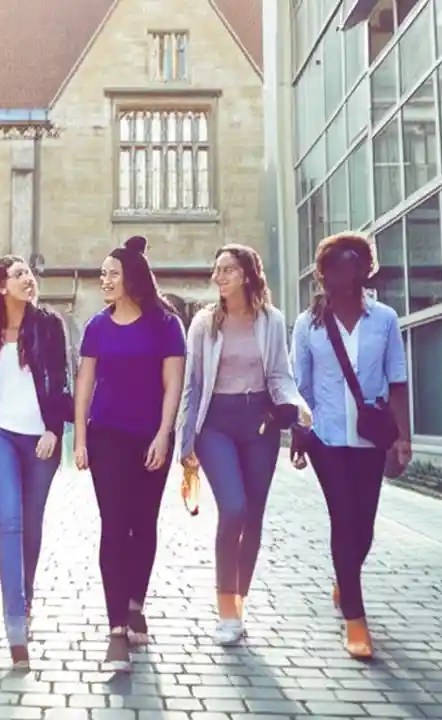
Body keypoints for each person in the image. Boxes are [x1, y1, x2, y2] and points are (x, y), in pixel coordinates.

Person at [178, 244, 310, 646]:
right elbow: (193, 384)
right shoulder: (204, 323)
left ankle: (240, 598)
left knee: (253, 515)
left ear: (248, 275)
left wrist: (296, 408)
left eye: (228, 270)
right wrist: (186, 441)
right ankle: (225, 610)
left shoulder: (271, 320)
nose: (219, 277)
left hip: (259, 425)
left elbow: (280, 375)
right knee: (232, 508)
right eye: (216, 269)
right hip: (215, 422)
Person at [291, 232, 411, 660]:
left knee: (364, 527)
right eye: (332, 267)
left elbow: (397, 380)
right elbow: (298, 386)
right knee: (343, 518)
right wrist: (298, 434)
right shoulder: (309, 324)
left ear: (365, 269)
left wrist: (403, 437)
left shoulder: (385, 319)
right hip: (326, 436)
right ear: (323, 274)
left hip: (370, 439)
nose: (341, 274)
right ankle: (356, 620)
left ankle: (346, 577)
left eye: (350, 264)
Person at [73, 235, 185, 672]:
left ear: (132, 278)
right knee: (114, 526)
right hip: (107, 438)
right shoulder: (97, 326)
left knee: (144, 524)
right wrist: (80, 439)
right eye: (102, 274)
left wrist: (164, 433)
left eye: (111, 274)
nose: (104, 280)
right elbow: (84, 385)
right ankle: (116, 627)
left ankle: (137, 600)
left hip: (151, 438)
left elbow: (173, 383)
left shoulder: (166, 324)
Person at [0, 255, 71, 669]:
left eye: (30, 273)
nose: (29, 278)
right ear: (1, 286)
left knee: (31, 523)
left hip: (40, 438)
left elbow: (59, 381)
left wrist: (54, 431)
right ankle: (14, 622)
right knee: (8, 519)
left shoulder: (49, 326)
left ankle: (26, 597)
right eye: (19, 274)